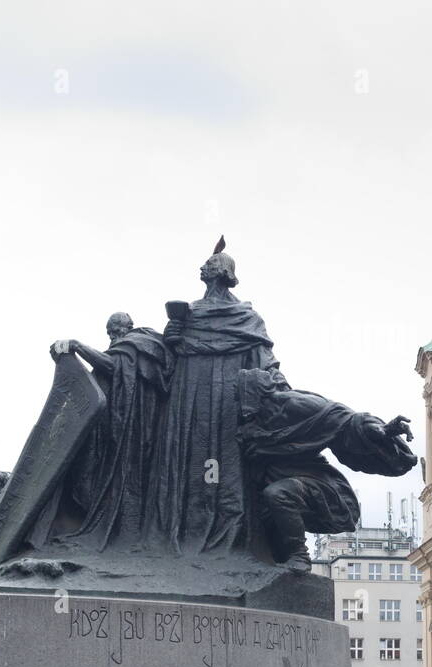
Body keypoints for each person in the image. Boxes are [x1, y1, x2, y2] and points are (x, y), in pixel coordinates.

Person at [148, 239, 280, 555]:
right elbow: (168, 360)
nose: (202, 267)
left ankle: (225, 537)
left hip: (226, 401)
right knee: (186, 464)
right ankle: (179, 534)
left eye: (208, 264)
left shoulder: (246, 317)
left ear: (221, 272)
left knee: (223, 467)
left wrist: (275, 389)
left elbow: (264, 359)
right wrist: (172, 339)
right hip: (188, 396)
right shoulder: (189, 314)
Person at [236, 368, 417, 571]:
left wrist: (382, 430)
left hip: (318, 484)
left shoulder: (293, 404)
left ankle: (300, 556)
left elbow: (346, 420)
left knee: (278, 494)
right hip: (275, 486)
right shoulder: (251, 420)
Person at [48, 312, 171, 549]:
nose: (112, 337)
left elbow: (113, 366)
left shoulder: (134, 346)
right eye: (110, 333)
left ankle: (119, 533)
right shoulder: (127, 348)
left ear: (125, 328)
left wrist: (77, 346)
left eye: (114, 331)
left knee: (124, 479)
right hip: (113, 427)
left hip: (132, 428)